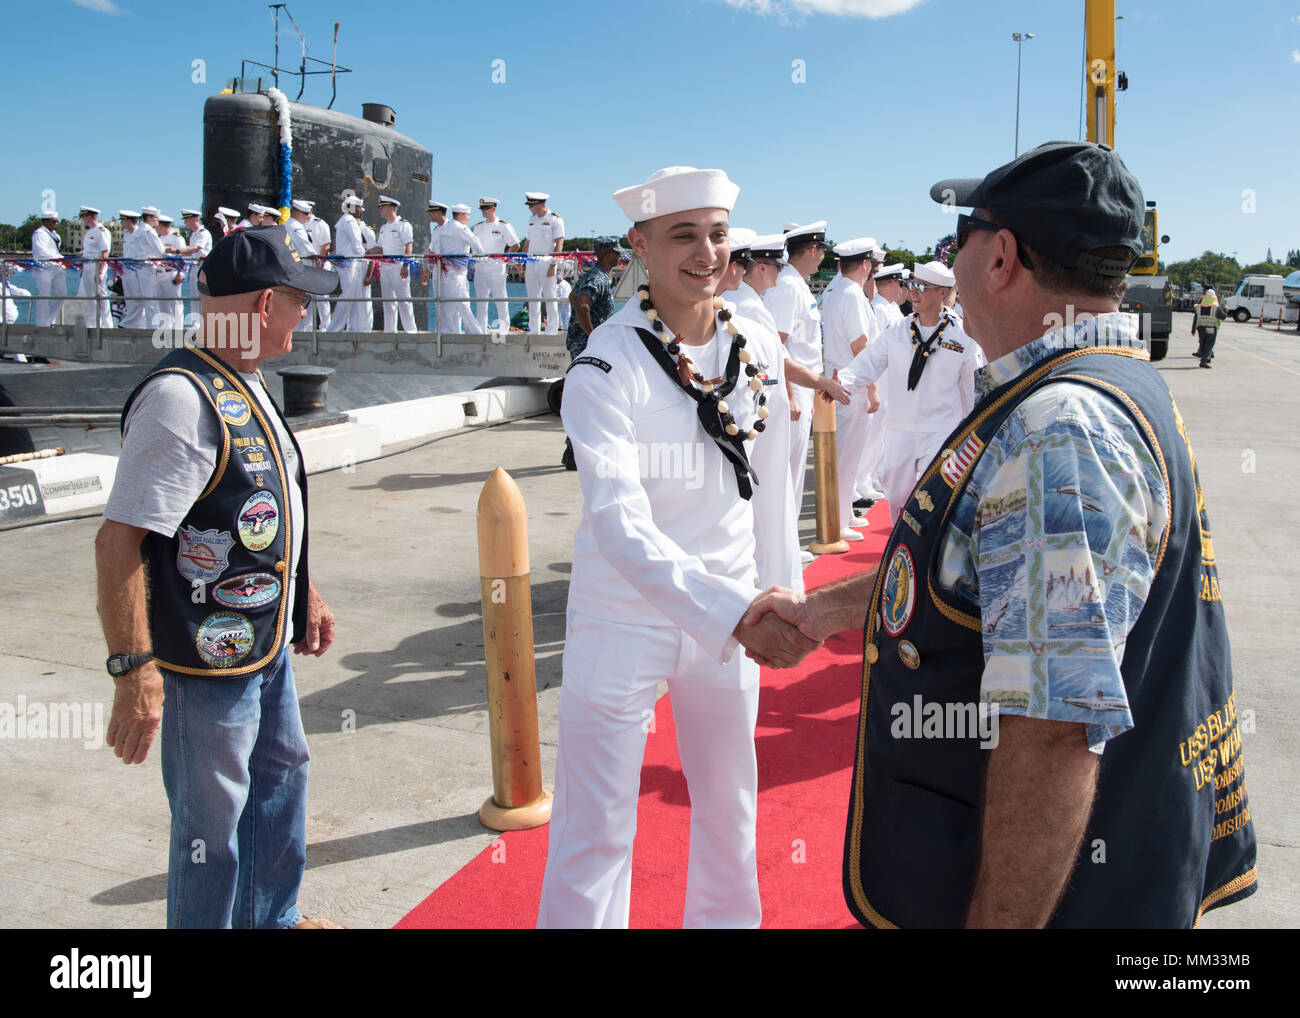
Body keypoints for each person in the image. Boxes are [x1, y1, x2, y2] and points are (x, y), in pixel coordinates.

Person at [745, 140, 1258, 929]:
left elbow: (1055, 730)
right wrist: (820, 614)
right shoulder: (1097, 380)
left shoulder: (1061, 428)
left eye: (961, 241)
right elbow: (983, 566)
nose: (951, 267)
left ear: (1001, 258)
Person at [537, 166, 818, 929]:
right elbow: (619, 525)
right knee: (595, 827)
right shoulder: (606, 365)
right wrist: (734, 612)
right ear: (640, 244)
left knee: (729, 809)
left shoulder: (754, 344)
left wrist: (781, 599)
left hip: (732, 612)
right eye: (683, 235)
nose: (706, 253)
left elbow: (769, 490)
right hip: (623, 613)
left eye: (717, 235)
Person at [94, 224, 343, 929]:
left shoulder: (244, 381)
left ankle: (273, 920)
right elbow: (118, 544)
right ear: (265, 304)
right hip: (202, 660)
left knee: (279, 782)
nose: (305, 315)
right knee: (211, 826)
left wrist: (303, 592)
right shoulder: (181, 399)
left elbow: (263, 506)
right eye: (300, 301)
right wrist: (133, 671)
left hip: (263, 641)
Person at [837, 260, 982, 522]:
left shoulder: (962, 335)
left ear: (942, 292)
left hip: (941, 430)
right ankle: (900, 542)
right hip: (900, 429)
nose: (914, 292)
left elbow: (971, 388)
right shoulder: (899, 330)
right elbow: (869, 362)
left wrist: (972, 428)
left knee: (934, 498)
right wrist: (840, 383)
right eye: (913, 284)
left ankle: (930, 547)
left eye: (922, 287)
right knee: (896, 496)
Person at [763, 220, 828, 563]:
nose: (822, 257)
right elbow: (777, 346)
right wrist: (789, 394)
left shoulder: (795, 285)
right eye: (822, 250)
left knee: (793, 469)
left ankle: (784, 544)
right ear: (813, 249)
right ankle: (780, 547)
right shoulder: (788, 287)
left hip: (803, 388)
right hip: (794, 389)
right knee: (786, 471)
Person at [819, 238, 883, 540]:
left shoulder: (834, 290)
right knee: (845, 456)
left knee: (846, 454)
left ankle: (844, 512)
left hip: (839, 378)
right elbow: (860, 346)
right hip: (852, 383)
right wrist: (872, 388)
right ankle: (838, 520)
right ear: (865, 264)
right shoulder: (853, 294)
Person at [559, 236, 623, 470]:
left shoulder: (592, 274)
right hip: (586, 347)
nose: (619, 257)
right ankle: (573, 452)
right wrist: (592, 334)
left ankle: (574, 451)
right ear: (607, 255)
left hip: (583, 344)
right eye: (616, 253)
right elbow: (582, 304)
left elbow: (572, 297)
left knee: (584, 398)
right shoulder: (597, 277)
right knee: (585, 399)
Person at [431, 204, 485, 335]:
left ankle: (455, 330)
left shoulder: (445, 228)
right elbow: (477, 246)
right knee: (460, 303)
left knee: (449, 303)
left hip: (447, 271)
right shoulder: (460, 228)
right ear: (461, 215)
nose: (468, 218)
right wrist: (476, 262)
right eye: (467, 215)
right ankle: (471, 332)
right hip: (455, 273)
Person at [471, 197, 520, 332]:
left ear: (493, 209)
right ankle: (481, 329)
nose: (484, 211)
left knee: (500, 299)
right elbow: (474, 248)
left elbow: (515, 244)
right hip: (480, 267)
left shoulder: (503, 225)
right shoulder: (478, 227)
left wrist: (505, 258)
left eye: (486, 208)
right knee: (481, 301)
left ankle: (504, 329)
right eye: (482, 209)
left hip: (496, 268)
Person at [370, 196, 417, 333]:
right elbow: (380, 248)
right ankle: (389, 330)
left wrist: (406, 265)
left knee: (404, 300)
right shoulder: (384, 228)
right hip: (385, 267)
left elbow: (408, 246)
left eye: (382, 207)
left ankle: (410, 331)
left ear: (392, 208)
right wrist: (366, 251)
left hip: (398, 266)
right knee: (388, 301)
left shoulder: (403, 225)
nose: (380, 210)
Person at [522, 192, 564, 334]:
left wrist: (553, 264)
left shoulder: (555, 219)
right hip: (531, 261)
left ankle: (551, 330)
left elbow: (559, 243)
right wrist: (522, 262)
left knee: (550, 297)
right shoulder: (531, 220)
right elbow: (527, 242)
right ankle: (534, 329)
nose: (530, 208)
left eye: (531, 205)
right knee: (533, 299)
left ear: (540, 204)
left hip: (547, 261)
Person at [326, 197, 367, 333]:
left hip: (347, 263)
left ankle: (355, 328)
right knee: (348, 295)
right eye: (358, 207)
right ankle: (334, 328)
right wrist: (364, 254)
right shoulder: (350, 221)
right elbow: (357, 244)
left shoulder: (344, 220)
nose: (360, 210)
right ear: (352, 207)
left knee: (354, 297)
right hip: (351, 263)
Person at [76, 206, 113, 328]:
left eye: (84, 216)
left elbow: (104, 252)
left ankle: (106, 324)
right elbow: (91, 250)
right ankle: (93, 322)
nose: (83, 219)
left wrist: (100, 272)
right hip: (87, 266)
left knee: (100, 296)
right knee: (90, 296)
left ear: (90, 216)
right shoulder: (89, 232)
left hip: (96, 266)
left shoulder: (101, 231)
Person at [30, 211, 65, 327]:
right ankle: (42, 323)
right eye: (54, 221)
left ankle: (50, 319)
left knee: (61, 293)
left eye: (57, 221)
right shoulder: (39, 234)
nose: (56, 223)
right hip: (43, 267)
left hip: (56, 266)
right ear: (46, 221)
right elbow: (41, 252)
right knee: (44, 295)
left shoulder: (55, 235)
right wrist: (59, 257)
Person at [302, 201, 333, 330]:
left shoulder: (319, 224)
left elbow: (326, 244)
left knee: (322, 298)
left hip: (319, 265)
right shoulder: (300, 224)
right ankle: (307, 327)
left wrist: (320, 261)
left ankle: (326, 327)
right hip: (307, 267)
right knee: (307, 298)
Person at [180, 208, 213, 318]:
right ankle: (195, 323)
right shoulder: (194, 235)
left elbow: (196, 248)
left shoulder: (203, 233)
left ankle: (202, 323)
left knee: (201, 297)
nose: (185, 222)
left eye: (187, 220)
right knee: (194, 297)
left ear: (194, 219)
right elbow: (190, 253)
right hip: (194, 268)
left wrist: (177, 251)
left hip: (202, 268)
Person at [155, 215, 186, 330]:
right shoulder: (158, 238)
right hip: (160, 273)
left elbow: (182, 257)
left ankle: (178, 327)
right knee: (162, 302)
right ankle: (166, 326)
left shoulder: (176, 238)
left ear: (161, 225)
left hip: (172, 273)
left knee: (175, 303)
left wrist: (180, 274)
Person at [423, 200, 449, 332]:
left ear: (439, 213)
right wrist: (427, 271)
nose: (429, 215)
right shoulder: (435, 230)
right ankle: (441, 328)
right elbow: (432, 252)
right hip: (437, 270)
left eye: (431, 212)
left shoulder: (452, 228)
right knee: (438, 300)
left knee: (451, 302)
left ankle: (453, 329)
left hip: (450, 270)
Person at [1192, 289, 1226, 368]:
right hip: (1211, 328)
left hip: (1200, 328)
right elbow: (1223, 316)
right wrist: (1225, 310)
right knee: (1209, 344)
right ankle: (1204, 361)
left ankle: (1204, 358)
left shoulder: (1199, 307)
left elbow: (1195, 318)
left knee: (1203, 343)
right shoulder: (1216, 307)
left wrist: (1193, 328)